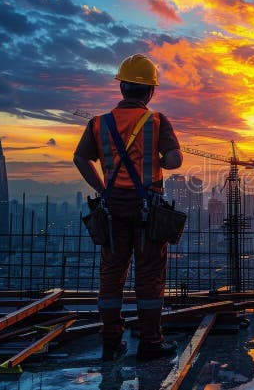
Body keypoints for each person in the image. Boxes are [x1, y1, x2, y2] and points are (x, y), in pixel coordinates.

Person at [73, 54, 183, 361]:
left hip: (112, 209)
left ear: (122, 88)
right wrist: (160, 161)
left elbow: (80, 158)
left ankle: (111, 341)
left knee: (111, 272)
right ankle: (150, 341)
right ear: (150, 92)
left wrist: (103, 188)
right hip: (148, 211)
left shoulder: (99, 123)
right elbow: (174, 160)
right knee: (149, 275)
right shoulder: (158, 121)